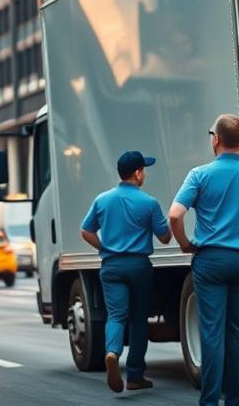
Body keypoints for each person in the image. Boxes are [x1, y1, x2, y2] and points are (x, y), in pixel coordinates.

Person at [168, 115, 239, 406]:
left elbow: (175, 215)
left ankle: (210, 400)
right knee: (238, 332)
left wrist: (185, 243)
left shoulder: (199, 175)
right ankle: (235, 400)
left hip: (211, 261)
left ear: (216, 139)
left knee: (212, 332)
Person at [81, 150, 172, 392]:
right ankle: (134, 376)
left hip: (111, 265)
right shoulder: (149, 202)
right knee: (138, 320)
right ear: (138, 173)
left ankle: (112, 352)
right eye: (145, 170)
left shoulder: (102, 200)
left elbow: (86, 231)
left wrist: (104, 246)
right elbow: (164, 237)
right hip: (139, 266)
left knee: (116, 316)